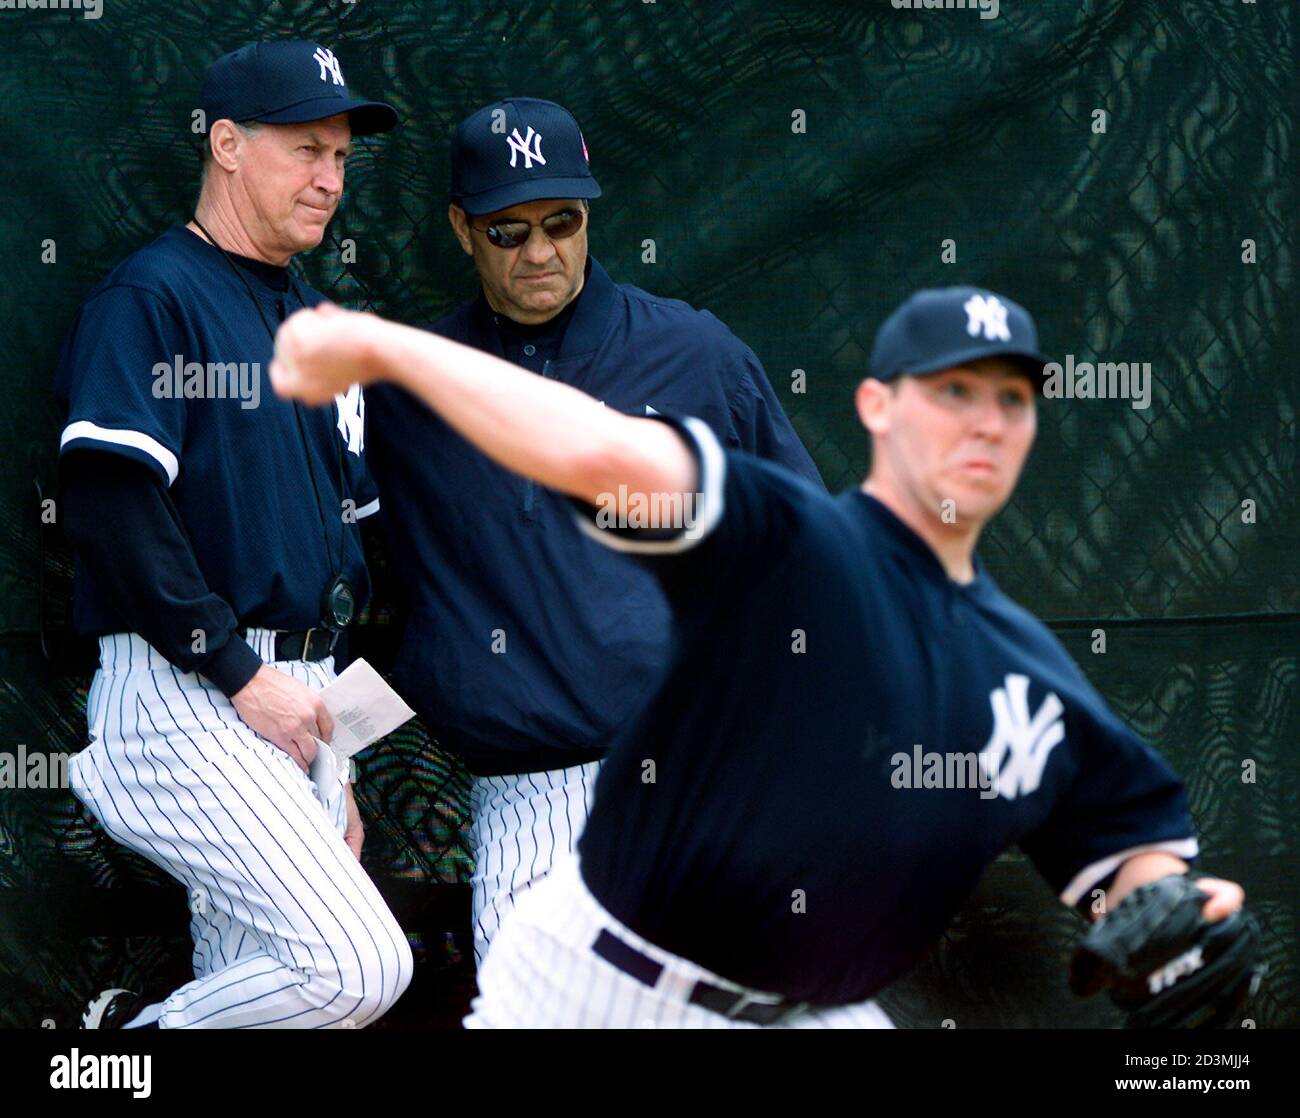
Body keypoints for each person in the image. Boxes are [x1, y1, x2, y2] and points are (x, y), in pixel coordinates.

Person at [270, 286, 1253, 1029]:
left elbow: (1137, 854)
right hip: (603, 988)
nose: (985, 420)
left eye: (1010, 396)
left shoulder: (1028, 676)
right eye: (952, 389)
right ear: (877, 405)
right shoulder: (783, 535)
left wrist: (1177, 910)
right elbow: (602, 450)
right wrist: (383, 347)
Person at [364, 97, 823, 963]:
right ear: (462, 229)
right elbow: (341, 557)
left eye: (562, 221)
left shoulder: (696, 353)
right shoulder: (413, 390)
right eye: (509, 230)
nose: (540, 251)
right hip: (523, 789)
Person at [55, 39, 412, 1029]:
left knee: (277, 991)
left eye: (341, 156)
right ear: (226, 144)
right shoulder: (153, 295)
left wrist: (337, 746)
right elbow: (114, 508)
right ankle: (128, 1040)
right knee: (357, 966)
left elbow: (352, 551)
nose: (330, 179)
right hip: (188, 690)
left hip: (301, 698)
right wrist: (238, 673)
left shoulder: (317, 318)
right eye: (306, 149)